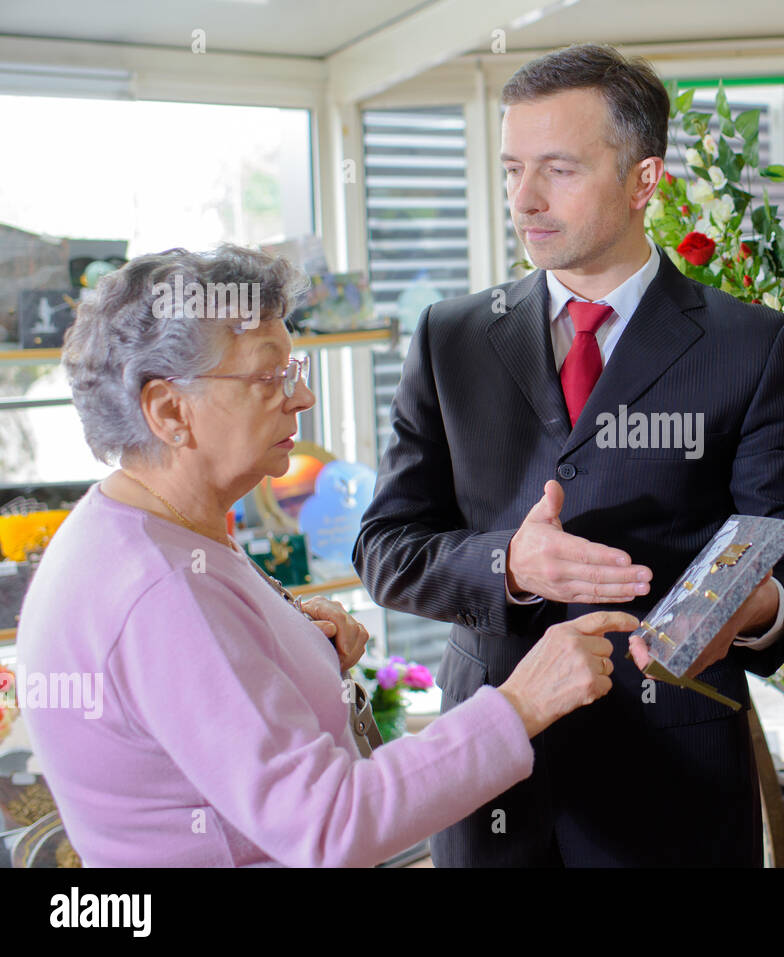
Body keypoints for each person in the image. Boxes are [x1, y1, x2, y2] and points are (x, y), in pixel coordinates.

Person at [354, 43, 784, 867]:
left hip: (670, 776)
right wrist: (509, 562)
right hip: (490, 771)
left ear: (644, 179)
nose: (525, 200)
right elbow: (384, 550)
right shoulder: (449, 338)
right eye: (512, 170)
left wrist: (737, 611)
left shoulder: (751, 346)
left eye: (559, 170)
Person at [17, 245, 637, 867]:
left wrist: (290, 644)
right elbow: (329, 824)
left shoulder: (142, 529)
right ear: (169, 410)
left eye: (298, 368)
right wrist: (521, 703)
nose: (302, 397)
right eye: (269, 377)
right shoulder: (165, 588)